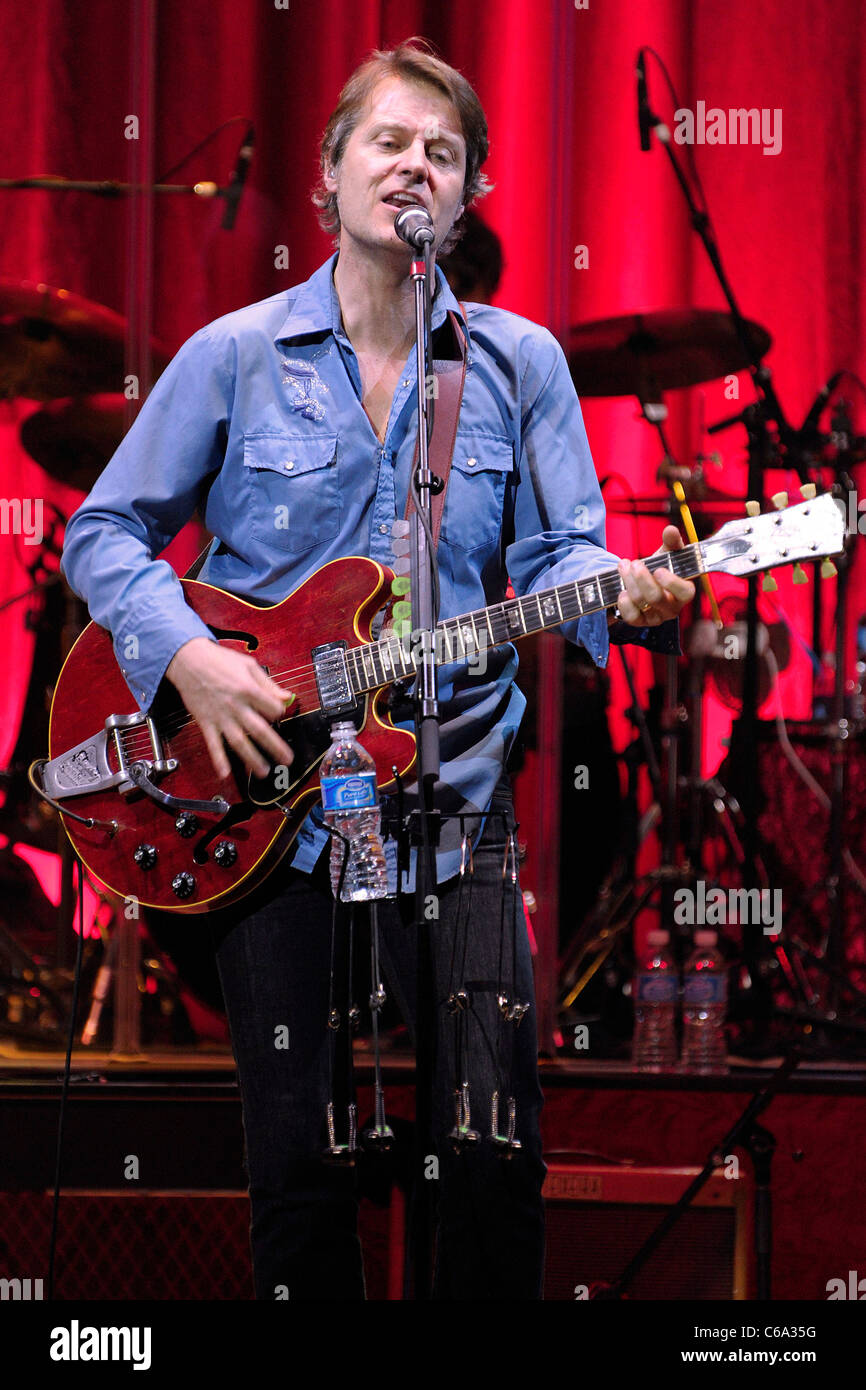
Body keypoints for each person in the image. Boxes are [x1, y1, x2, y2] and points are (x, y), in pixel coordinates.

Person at [61, 38, 694, 1300]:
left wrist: (632, 595)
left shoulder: (518, 367)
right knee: (296, 1169)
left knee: (492, 1159)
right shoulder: (233, 355)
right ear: (330, 174)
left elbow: (568, 556)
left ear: (464, 200)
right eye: (389, 142)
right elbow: (101, 531)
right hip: (274, 813)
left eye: (442, 153)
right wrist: (190, 658)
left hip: (453, 809)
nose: (414, 165)